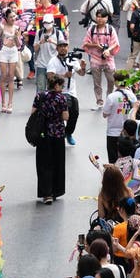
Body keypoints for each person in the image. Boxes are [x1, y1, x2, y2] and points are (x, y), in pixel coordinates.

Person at [31, 74, 68, 204]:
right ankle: (56, 190)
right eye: (62, 86)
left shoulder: (39, 96)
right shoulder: (61, 98)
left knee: (44, 164)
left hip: (43, 134)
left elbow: (33, 113)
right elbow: (65, 116)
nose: (62, 88)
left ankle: (46, 193)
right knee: (57, 163)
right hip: (57, 134)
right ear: (56, 85)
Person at [46, 36, 87, 146]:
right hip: (58, 92)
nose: (63, 48)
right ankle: (57, 134)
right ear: (57, 48)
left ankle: (68, 133)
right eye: (61, 46)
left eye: (65, 46)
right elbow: (50, 76)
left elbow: (81, 73)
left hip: (71, 92)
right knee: (60, 115)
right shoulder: (53, 61)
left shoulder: (73, 60)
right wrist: (64, 76)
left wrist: (83, 67)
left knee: (75, 113)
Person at [82, 9, 120, 110]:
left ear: (107, 18)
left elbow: (115, 43)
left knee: (111, 80)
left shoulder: (110, 29)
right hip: (95, 58)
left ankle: (109, 99)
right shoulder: (91, 29)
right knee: (97, 82)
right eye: (98, 16)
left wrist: (108, 50)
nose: (100, 19)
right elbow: (85, 43)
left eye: (102, 17)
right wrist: (95, 45)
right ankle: (99, 101)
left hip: (108, 58)